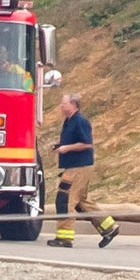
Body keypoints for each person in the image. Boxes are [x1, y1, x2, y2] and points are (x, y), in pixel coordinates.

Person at [47, 92, 120, 248]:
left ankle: (64, 238)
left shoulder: (80, 121)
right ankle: (109, 227)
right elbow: (73, 141)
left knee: (65, 200)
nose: (61, 106)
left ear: (73, 105)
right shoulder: (68, 121)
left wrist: (67, 148)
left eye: (64, 103)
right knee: (81, 202)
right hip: (73, 166)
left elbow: (87, 143)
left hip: (80, 167)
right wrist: (60, 146)